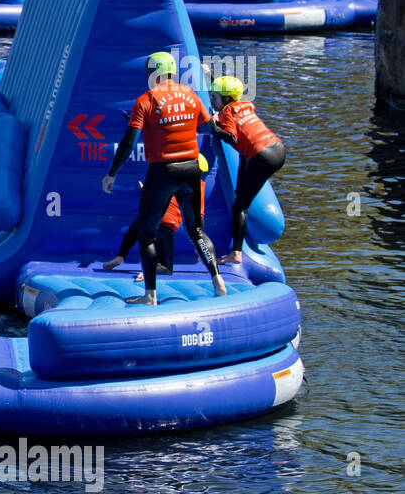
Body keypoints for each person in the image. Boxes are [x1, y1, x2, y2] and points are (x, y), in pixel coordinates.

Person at [102, 52, 227, 305]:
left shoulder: (146, 100)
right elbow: (206, 125)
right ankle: (217, 281)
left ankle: (150, 295)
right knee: (197, 231)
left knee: (148, 234)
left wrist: (112, 172)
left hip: (163, 170)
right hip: (191, 167)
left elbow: (128, 143)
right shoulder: (189, 94)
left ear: (151, 74)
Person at [209, 75, 286, 266]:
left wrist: (212, 124)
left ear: (226, 99)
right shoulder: (244, 105)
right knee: (240, 195)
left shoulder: (227, 112)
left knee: (239, 206)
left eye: (214, 97)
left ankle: (236, 253)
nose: (212, 100)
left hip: (262, 156)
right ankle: (239, 241)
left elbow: (231, 138)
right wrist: (209, 74)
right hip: (277, 149)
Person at [103, 154, 209, 276]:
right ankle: (155, 268)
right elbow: (198, 216)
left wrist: (144, 189)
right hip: (169, 223)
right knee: (167, 267)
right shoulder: (198, 185)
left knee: (136, 227)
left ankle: (120, 257)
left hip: (152, 216)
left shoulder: (169, 173)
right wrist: (199, 243)